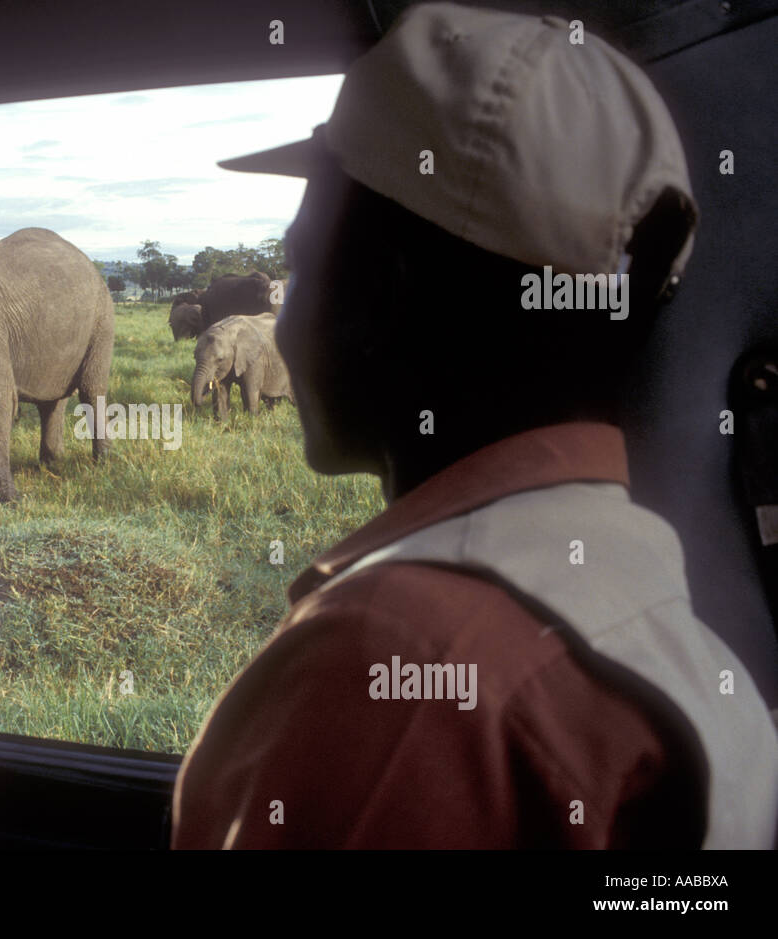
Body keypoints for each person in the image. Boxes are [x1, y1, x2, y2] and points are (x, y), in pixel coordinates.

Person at [171, 2, 778, 849]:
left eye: (303, 268)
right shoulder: (680, 635)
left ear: (385, 292)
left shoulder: (396, 657)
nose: (287, 321)